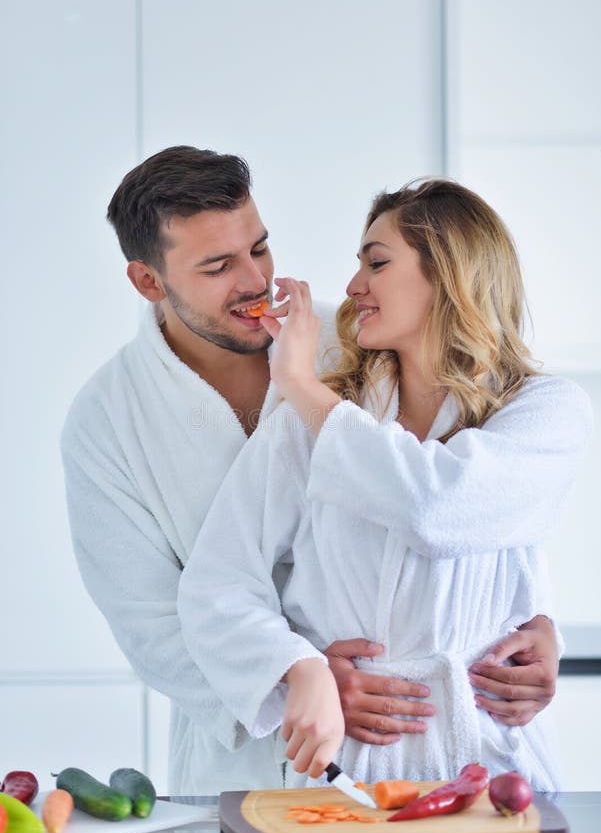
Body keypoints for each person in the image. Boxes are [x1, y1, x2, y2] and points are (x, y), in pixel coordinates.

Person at [61, 148, 561, 795]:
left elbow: (472, 478)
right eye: (216, 266)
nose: (253, 281)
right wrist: (293, 674)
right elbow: (149, 620)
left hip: (423, 730)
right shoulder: (106, 419)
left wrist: (533, 623)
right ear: (149, 282)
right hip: (244, 748)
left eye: (259, 249)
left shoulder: (352, 340)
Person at [178, 178, 592, 792]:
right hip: (355, 766)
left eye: (377, 262)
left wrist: (299, 382)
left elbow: (440, 507)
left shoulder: (547, 411)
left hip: (494, 759)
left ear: (450, 273)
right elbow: (216, 586)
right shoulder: (305, 428)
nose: (353, 287)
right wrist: (299, 668)